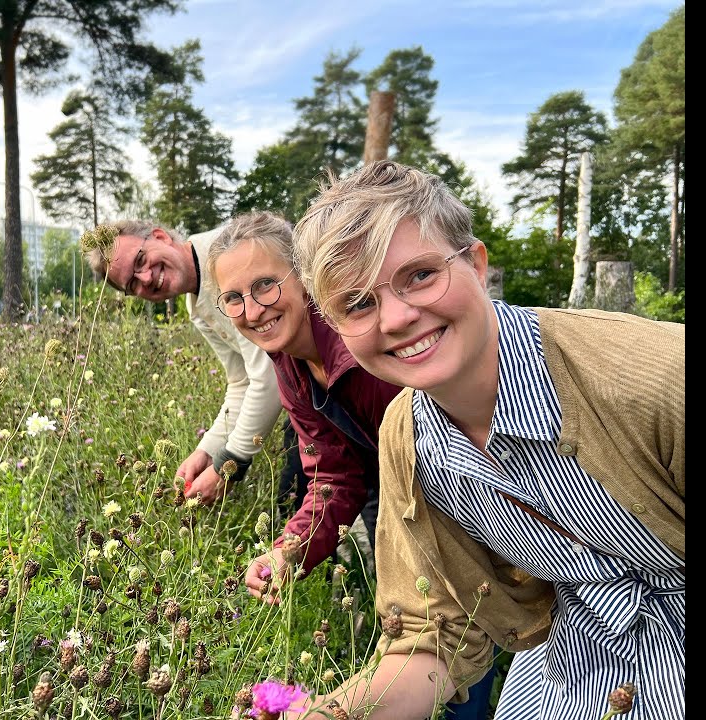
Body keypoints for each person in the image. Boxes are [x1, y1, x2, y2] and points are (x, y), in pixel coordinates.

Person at [285, 160, 685, 720]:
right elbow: (436, 633)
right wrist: (332, 714)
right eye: (358, 304)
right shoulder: (408, 438)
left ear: (475, 262)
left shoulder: (657, 380)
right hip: (567, 675)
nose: (397, 318)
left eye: (420, 275)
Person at [207, 211, 496, 720]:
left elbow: (451, 437)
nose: (253, 310)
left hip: (465, 487)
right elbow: (333, 475)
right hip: (397, 489)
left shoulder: (361, 343)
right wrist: (288, 551)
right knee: (420, 638)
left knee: (453, 631)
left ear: (306, 276)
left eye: (266, 286)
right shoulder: (290, 362)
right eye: (234, 298)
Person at [84, 220, 283, 499]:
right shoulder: (197, 305)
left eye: (140, 260)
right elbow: (242, 381)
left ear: (161, 236)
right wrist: (207, 450)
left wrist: (230, 463)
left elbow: (270, 375)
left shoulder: (229, 255)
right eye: (132, 283)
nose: (145, 278)